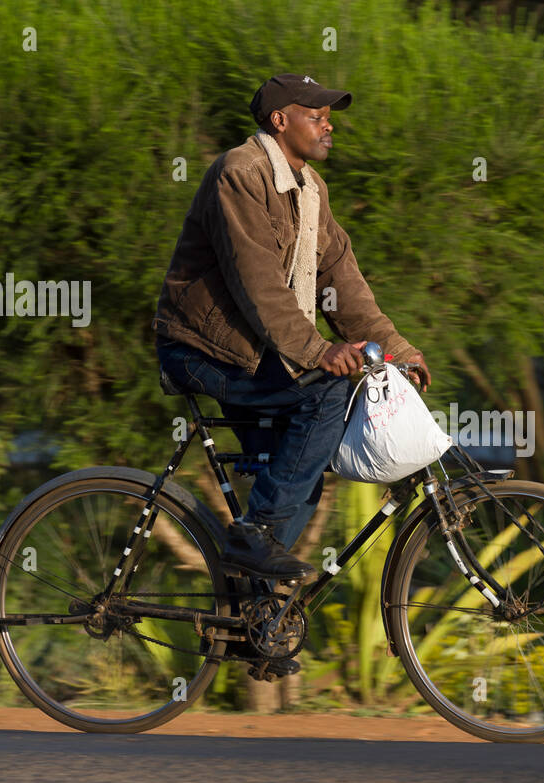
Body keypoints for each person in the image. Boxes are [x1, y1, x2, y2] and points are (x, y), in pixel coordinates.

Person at [152, 73, 430, 584]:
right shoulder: (240, 172)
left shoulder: (310, 191)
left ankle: (256, 618)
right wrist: (317, 351)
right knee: (326, 395)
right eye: (317, 117)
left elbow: (343, 283)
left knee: (302, 471)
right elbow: (256, 281)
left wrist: (397, 351)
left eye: (330, 120)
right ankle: (251, 536)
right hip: (201, 349)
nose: (329, 128)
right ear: (280, 121)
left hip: (256, 353)